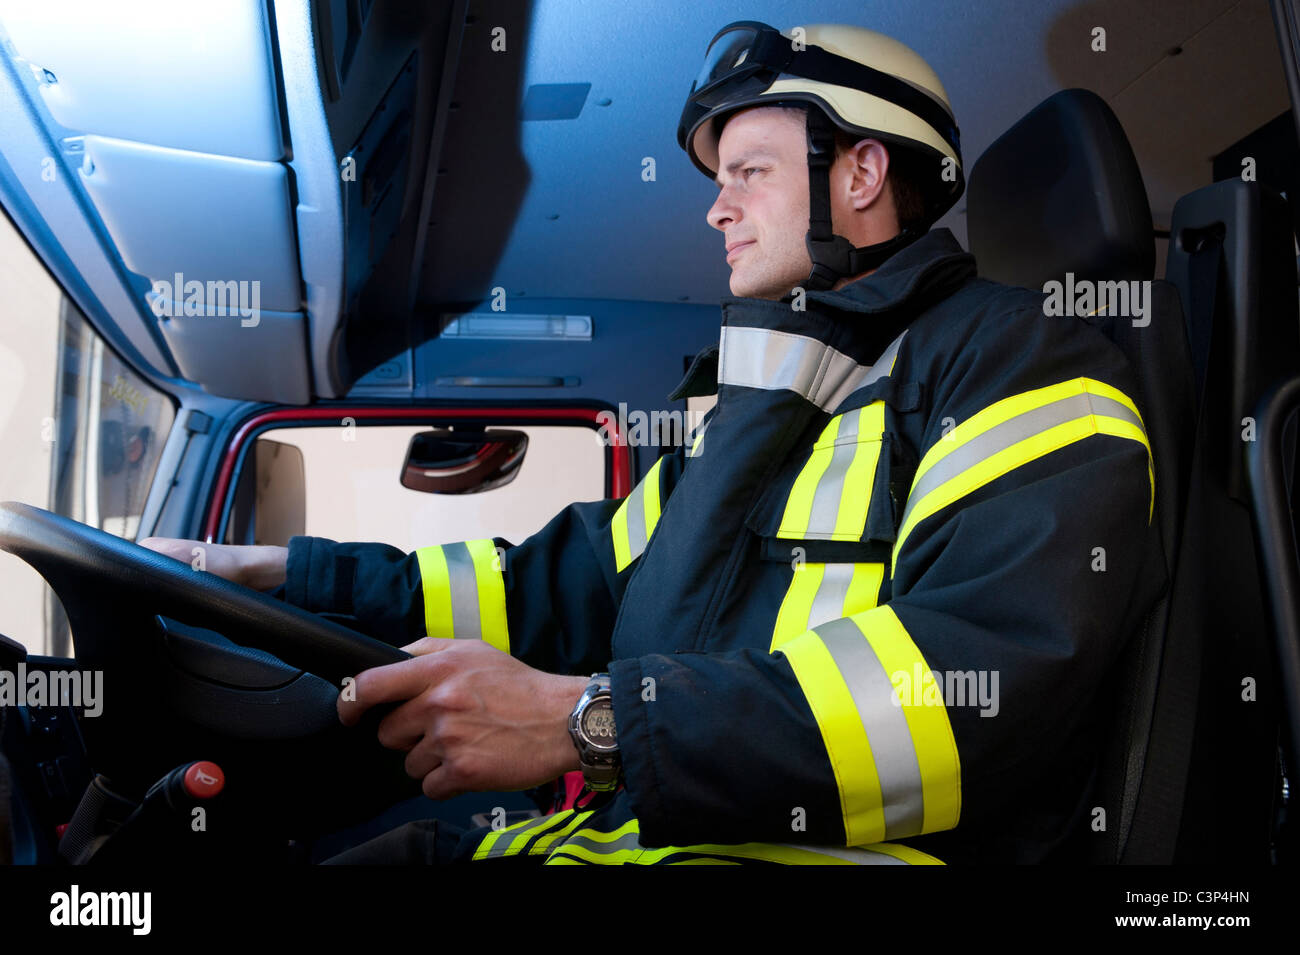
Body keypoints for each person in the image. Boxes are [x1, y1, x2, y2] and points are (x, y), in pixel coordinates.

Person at [143, 22, 1164, 864]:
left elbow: (975, 683)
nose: (717, 207)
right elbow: (566, 584)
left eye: (750, 171)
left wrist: (590, 722)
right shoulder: (768, 394)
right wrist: (282, 572)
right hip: (639, 834)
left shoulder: (1024, 362)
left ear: (860, 171)